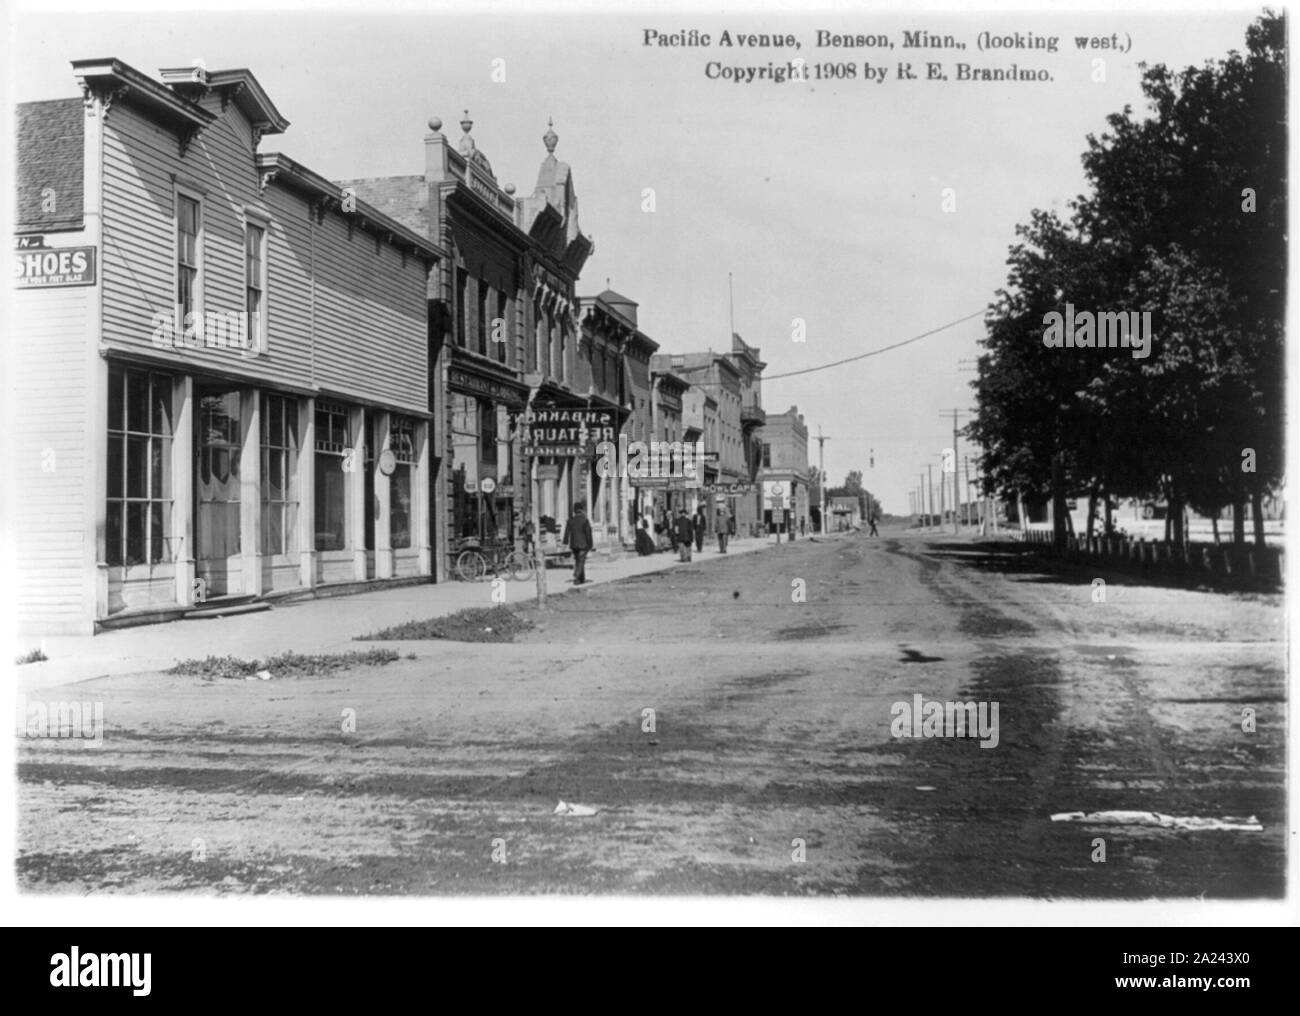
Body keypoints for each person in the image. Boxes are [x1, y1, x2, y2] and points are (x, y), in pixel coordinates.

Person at [562, 502, 593, 584]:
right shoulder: (585, 520)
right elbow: (588, 533)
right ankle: (576, 575)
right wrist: (590, 545)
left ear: (574, 511)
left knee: (578, 560)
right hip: (583, 544)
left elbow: (566, 533)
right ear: (581, 510)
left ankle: (581, 579)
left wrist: (565, 543)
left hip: (574, 544)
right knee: (581, 561)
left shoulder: (570, 521)